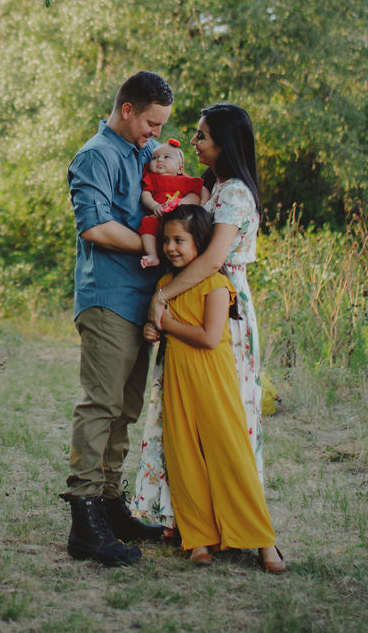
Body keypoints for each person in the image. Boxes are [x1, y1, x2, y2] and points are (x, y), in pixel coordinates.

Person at [62, 70, 174, 566]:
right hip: (107, 298)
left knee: (126, 410)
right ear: (127, 109)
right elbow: (97, 227)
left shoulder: (141, 152)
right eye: (151, 122)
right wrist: (158, 250)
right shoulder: (95, 155)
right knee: (101, 406)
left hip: (140, 302)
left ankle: (111, 505)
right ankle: (84, 524)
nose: (155, 132)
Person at [146, 204, 285, 572]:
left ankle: (262, 541)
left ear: (201, 242)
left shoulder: (215, 284)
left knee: (229, 454)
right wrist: (153, 328)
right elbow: (158, 328)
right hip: (179, 380)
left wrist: (168, 323)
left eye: (180, 240)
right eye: (166, 241)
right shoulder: (164, 287)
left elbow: (209, 338)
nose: (171, 247)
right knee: (185, 456)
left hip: (212, 379)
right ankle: (199, 539)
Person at [150, 103, 266, 479]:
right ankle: (188, 509)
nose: (194, 141)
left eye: (202, 136)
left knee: (224, 407)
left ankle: (234, 508)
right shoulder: (212, 186)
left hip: (222, 302)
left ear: (225, 143)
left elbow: (215, 258)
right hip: (194, 296)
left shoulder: (234, 194)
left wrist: (162, 295)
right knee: (188, 406)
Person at [137, 139, 207, 268]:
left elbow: (197, 194)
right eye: (154, 158)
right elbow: (145, 195)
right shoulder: (151, 178)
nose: (159, 160)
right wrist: (154, 206)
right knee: (147, 222)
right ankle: (152, 254)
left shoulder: (185, 181)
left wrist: (184, 203)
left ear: (180, 168)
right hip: (158, 216)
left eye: (166, 157)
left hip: (178, 219)